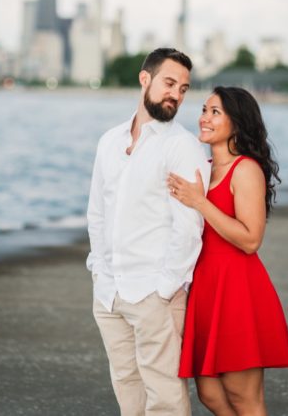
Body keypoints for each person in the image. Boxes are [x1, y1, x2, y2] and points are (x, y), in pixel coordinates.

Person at [87, 47, 211, 415]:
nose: (176, 94)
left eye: (184, 88)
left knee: (166, 396)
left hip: (154, 293)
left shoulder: (181, 146)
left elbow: (189, 225)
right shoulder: (109, 141)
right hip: (109, 292)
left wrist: (166, 286)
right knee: (127, 389)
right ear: (145, 79)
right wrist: (98, 270)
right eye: (169, 83)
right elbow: (97, 211)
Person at [168, 87, 288, 415]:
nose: (204, 118)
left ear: (236, 123)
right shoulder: (205, 167)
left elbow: (251, 239)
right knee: (210, 395)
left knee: (245, 399)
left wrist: (199, 202)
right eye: (204, 110)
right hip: (205, 288)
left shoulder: (246, 169)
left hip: (237, 289)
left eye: (215, 112)